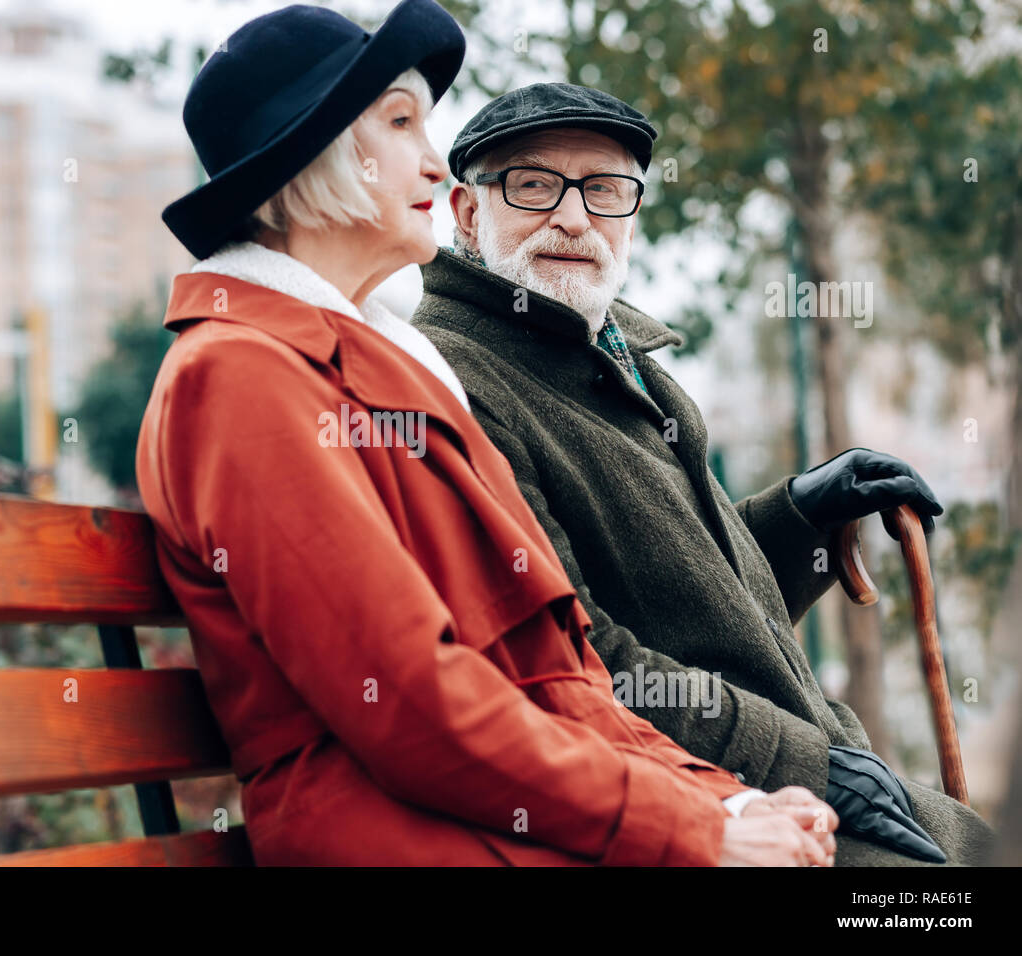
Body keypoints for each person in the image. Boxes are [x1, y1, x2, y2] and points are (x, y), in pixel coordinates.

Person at [139, 0, 838, 865]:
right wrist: (694, 831)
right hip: (400, 835)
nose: (436, 162)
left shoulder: (389, 369)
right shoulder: (239, 379)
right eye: (401, 124)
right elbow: (404, 703)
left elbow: (556, 674)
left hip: (497, 816)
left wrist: (719, 803)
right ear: (314, 156)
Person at [410, 81, 996, 865]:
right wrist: (811, 767)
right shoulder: (457, 381)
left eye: (606, 189)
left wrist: (801, 515)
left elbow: (694, 605)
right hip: (710, 805)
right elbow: (581, 663)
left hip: (795, 780)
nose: (574, 217)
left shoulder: (614, 354)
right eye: (533, 183)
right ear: (467, 212)